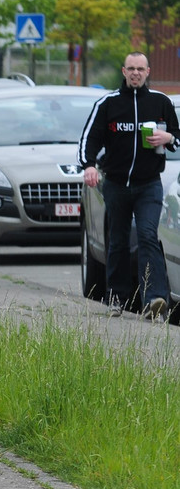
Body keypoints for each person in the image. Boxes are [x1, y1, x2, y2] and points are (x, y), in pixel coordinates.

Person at [78, 51, 179, 318]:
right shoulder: (108, 103)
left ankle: (154, 299)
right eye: (131, 69)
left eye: (140, 69)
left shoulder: (160, 102)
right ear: (124, 72)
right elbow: (89, 139)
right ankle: (117, 298)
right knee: (118, 241)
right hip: (116, 184)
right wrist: (89, 165)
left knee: (147, 236)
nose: (135, 73)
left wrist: (168, 138)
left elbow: (177, 137)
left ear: (148, 72)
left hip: (149, 185)